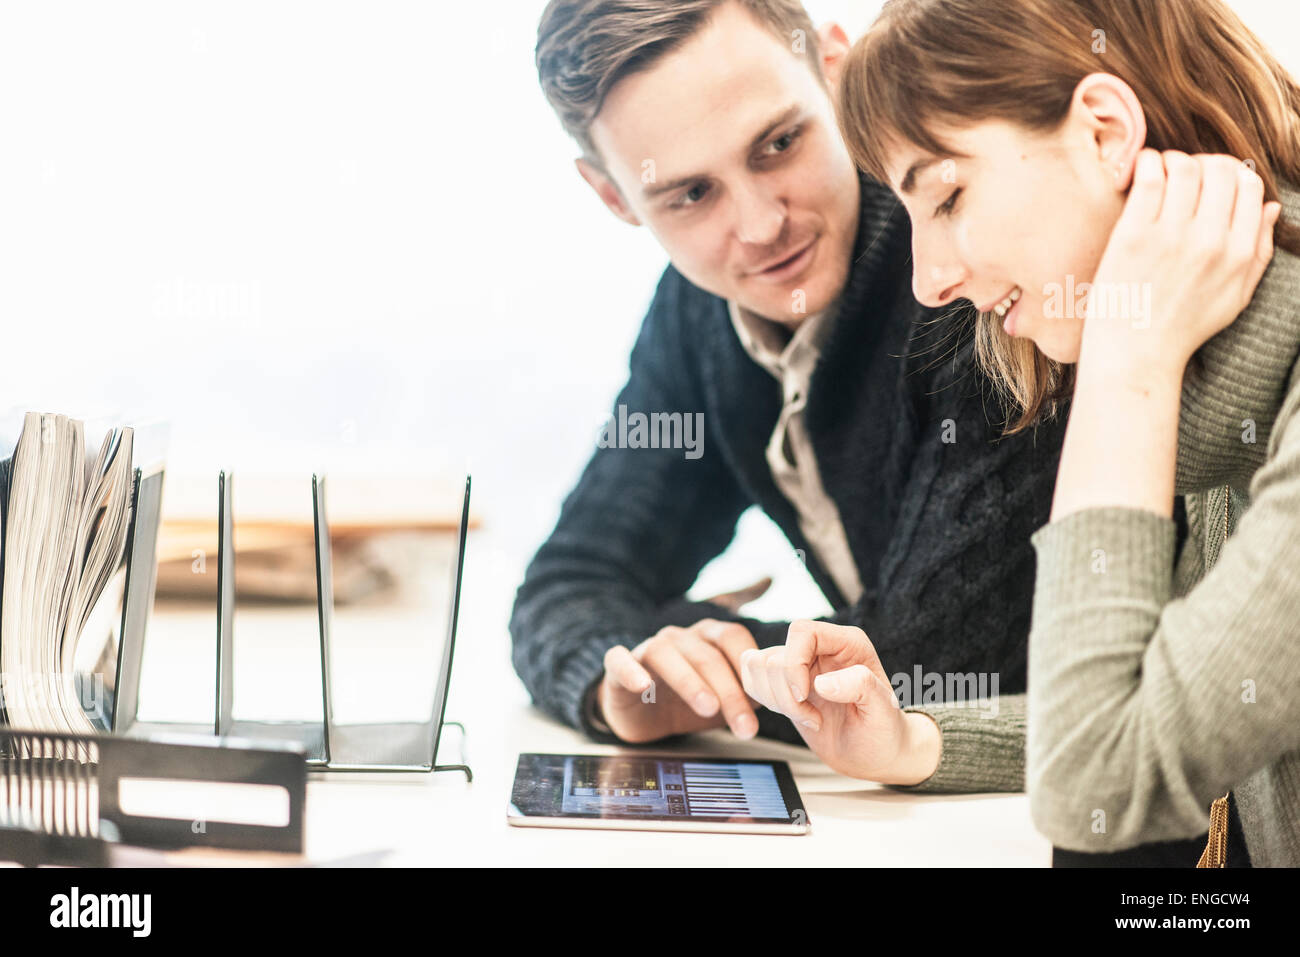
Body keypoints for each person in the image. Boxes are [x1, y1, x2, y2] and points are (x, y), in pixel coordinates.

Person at [742, 0, 1300, 867]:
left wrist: (1128, 360)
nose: (927, 281)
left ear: (1106, 134)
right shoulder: (1231, 399)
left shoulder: (1182, 376)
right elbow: (1143, 712)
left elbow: (1097, 788)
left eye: (948, 195)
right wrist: (914, 739)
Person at [511, 0, 1068, 751]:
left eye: (777, 143)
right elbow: (569, 581)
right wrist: (624, 684)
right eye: (691, 194)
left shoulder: (967, 276)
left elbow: (931, 663)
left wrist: (701, 653)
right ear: (614, 197)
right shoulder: (699, 313)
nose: (761, 225)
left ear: (835, 73)